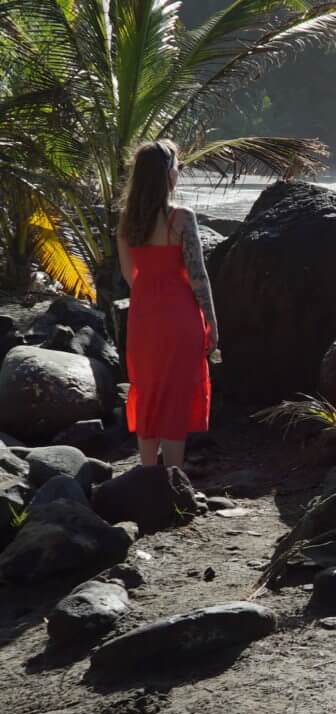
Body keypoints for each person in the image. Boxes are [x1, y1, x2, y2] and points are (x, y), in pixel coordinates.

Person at [116, 139, 219, 470]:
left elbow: (130, 276)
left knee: (147, 391)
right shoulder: (182, 219)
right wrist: (212, 324)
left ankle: (147, 475)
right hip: (181, 318)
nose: (179, 171)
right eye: (177, 166)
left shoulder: (127, 222)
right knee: (176, 396)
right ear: (167, 175)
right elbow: (199, 278)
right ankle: (174, 481)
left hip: (144, 319)